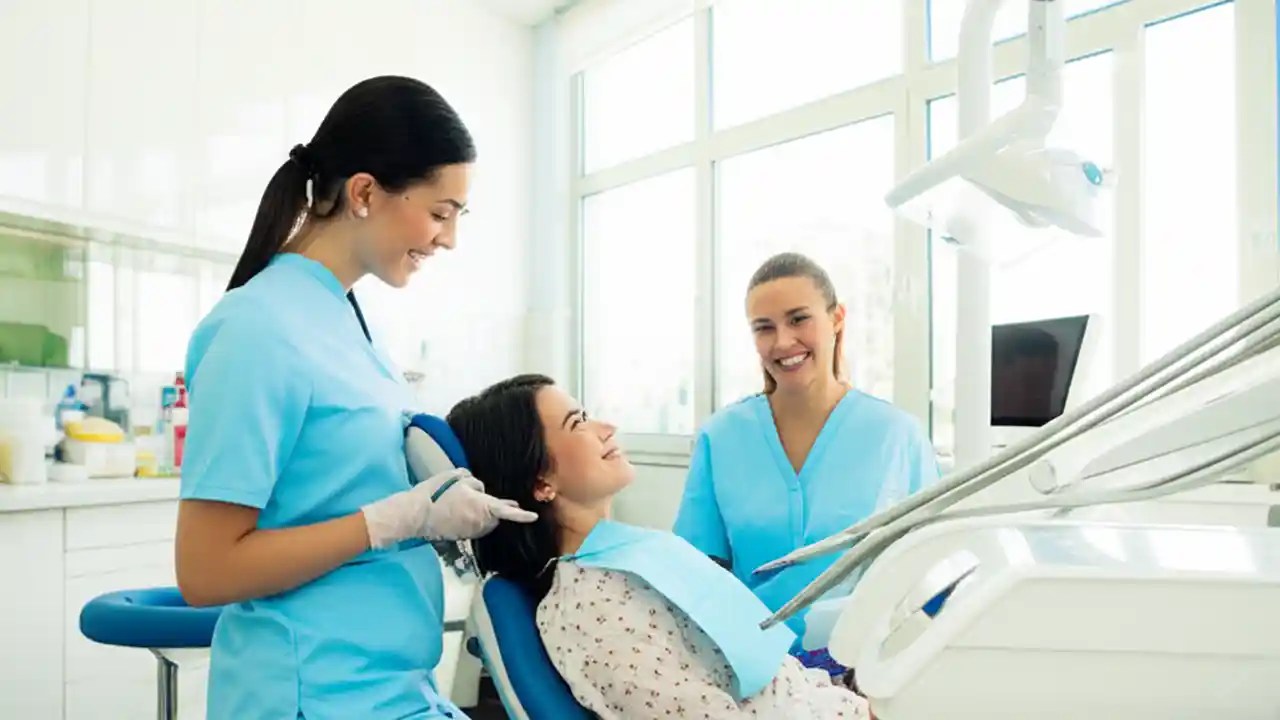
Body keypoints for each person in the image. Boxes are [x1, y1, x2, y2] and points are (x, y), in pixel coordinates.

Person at [174, 76, 536, 720]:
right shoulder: (258, 329)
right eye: (440, 212)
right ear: (364, 192)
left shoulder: (348, 321)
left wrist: (433, 508)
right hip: (311, 692)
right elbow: (206, 571)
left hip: (392, 685)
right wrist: (391, 522)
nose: (448, 238)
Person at [447, 374, 871, 720]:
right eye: (577, 423)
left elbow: (773, 680)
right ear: (541, 481)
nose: (606, 428)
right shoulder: (591, 607)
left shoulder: (629, 555)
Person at [673, 252, 941, 651]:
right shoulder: (722, 437)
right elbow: (696, 571)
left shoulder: (897, 435)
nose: (783, 341)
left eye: (799, 319)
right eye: (764, 328)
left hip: (862, 664)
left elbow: (928, 568)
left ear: (837, 319)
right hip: (752, 664)